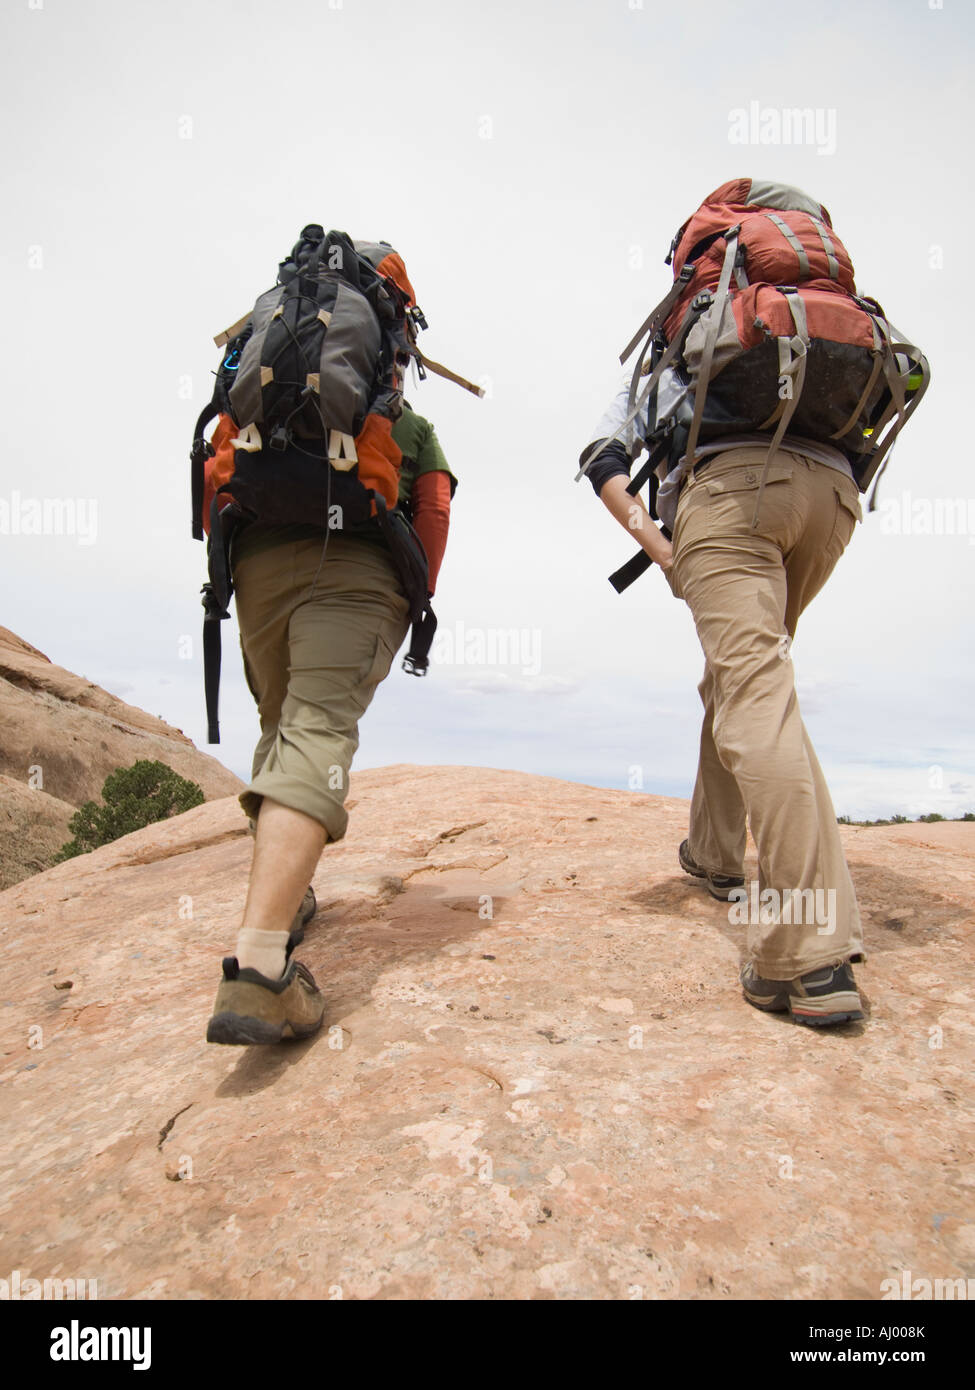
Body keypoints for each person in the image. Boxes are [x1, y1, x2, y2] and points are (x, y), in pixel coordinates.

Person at [581, 187, 873, 1028]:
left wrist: (660, 547)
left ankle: (808, 953)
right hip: (830, 500)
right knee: (739, 679)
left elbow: (602, 453)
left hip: (733, 495)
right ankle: (715, 853)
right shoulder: (824, 316)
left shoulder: (687, 331)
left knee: (754, 693)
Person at [205, 397, 456, 1045]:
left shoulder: (257, 397)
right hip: (358, 563)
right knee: (316, 729)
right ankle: (259, 970)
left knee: (279, 725)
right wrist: (417, 593)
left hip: (257, 564)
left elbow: (212, 492)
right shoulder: (410, 423)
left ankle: (289, 899)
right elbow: (432, 508)